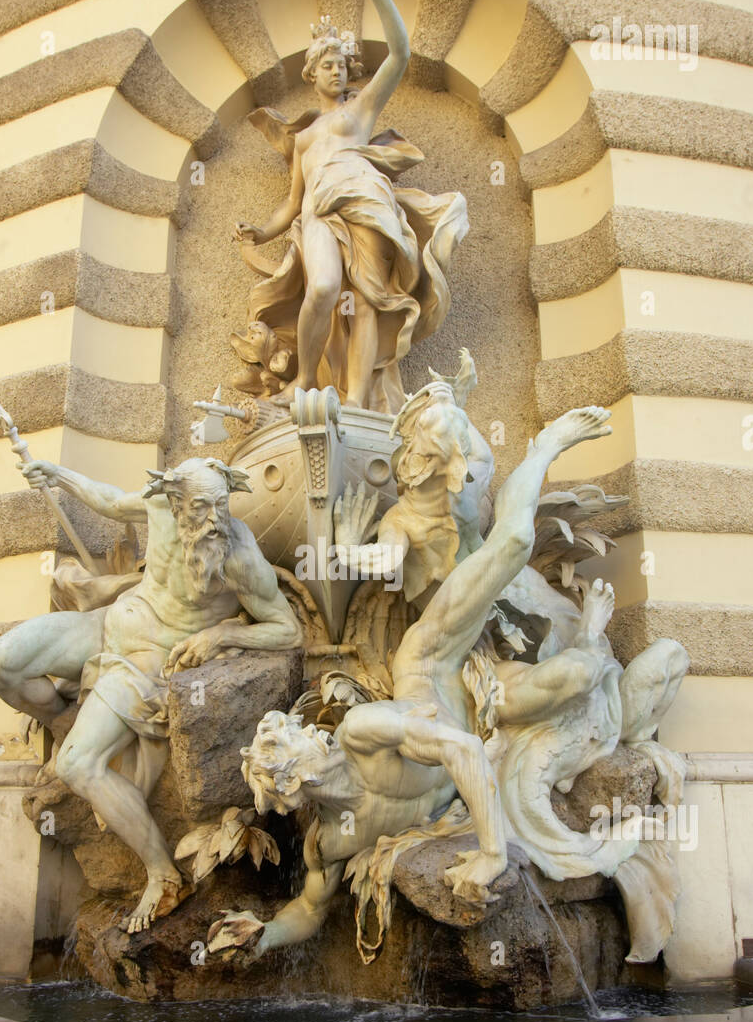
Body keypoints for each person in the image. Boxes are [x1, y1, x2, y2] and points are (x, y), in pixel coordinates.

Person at [208, 407, 616, 959]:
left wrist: (493, 852)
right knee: (578, 675)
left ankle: (545, 444)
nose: (305, 731)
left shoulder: (361, 732)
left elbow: (464, 750)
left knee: (514, 540)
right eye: (285, 743)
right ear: (289, 786)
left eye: (287, 732)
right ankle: (590, 639)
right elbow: (308, 908)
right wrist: (265, 935)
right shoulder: (329, 843)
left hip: (432, 664)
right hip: (478, 708)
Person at [0, 457, 302, 932]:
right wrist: (56, 474)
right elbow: (109, 499)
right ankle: (62, 719)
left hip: (147, 661)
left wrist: (223, 636)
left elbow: (287, 629)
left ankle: (162, 873)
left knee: (76, 765)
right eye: (201, 507)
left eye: (221, 504)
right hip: (109, 624)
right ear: (174, 501)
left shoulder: (237, 554)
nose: (215, 519)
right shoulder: (157, 504)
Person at [233, 0, 467, 413]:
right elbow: (293, 201)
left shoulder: (359, 112)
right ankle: (303, 378)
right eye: (327, 65)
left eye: (342, 64)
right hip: (318, 211)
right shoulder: (303, 140)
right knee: (322, 289)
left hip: (365, 203)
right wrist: (262, 231)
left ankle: (357, 400)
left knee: (365, 302)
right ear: (311, 73)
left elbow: (399, 55)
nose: (337, 71)